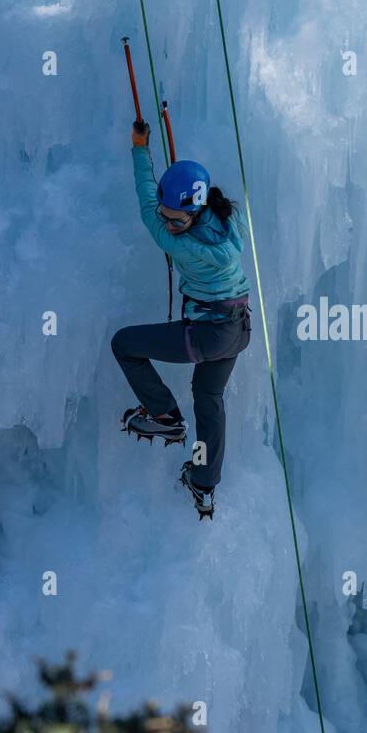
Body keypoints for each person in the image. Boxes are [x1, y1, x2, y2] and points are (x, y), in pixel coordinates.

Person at [110, 119, 250, 519]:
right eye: (165, 214)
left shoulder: (177, 241)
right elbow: (165, 202)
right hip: (238, 329)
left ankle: (164, 416)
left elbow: (143, 198)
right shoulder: (225, 219)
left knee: (124, 344)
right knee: (208, 400)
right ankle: (204, 482)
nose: (167, 222)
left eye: (174, 217)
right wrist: (179, 196)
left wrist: (140, 148)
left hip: (207, 334)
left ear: (191, 215)